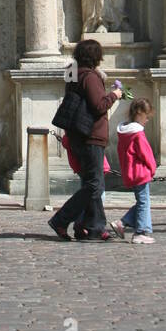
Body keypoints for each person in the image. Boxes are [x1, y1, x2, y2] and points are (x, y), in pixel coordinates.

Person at [47, 39, 121, 242]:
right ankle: (61, 220)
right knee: (94, 184)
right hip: (91, 135)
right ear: (96, 57)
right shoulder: (90, 77)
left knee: (92, 183)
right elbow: (99, 105)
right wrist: (115, 94)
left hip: (77, 135)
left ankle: (92, 228)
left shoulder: (72, 72)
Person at [111, 98, 157, 245]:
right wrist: (152, 168)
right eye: (147, 116)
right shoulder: (137, 133)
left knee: (142, 201)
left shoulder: (124, 133)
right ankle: (141, 232)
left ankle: (122, 223)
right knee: (144, 202)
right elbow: (146, 154)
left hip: (131, 172)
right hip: (140, 172)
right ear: (139, 113)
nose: (147, 120)